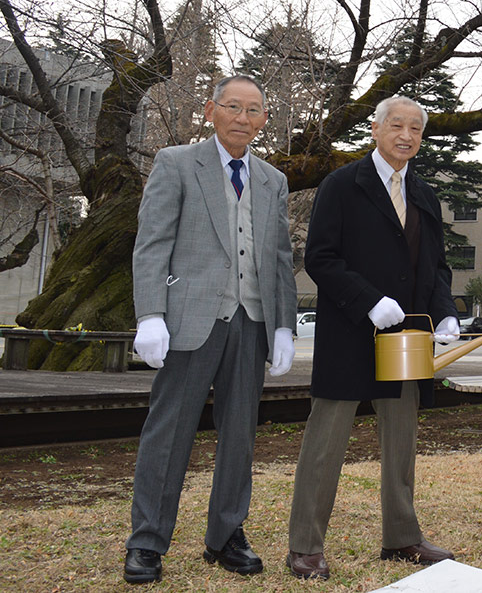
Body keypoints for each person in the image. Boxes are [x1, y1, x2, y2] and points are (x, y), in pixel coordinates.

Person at [125, 75, 297, 584]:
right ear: (211, 110)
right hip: (190, 322)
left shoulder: (272, 180)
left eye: (254, 110)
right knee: (169, 431)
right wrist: (150, 314)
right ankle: (148, 542)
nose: (243, 118)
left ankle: (226, 535)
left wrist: (284, 325)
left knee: (240, 433)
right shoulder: (176, 163)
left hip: (251, 322)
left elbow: (280, 258)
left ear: (264, 119)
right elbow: (152, 244)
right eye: (233, 107)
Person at [285, 96, 461, 580]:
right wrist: (368, 301)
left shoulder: (424, 193)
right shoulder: (342, 185)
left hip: (407, 337)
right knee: (326, 443)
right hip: (350, 333)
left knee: (402, 440)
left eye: (416, 129)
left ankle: (402, 537)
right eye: (397, 125)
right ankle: (304, 546)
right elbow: (320, 258)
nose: (406, 135)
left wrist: (445, 314)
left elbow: (437, 267)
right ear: (376, 129)